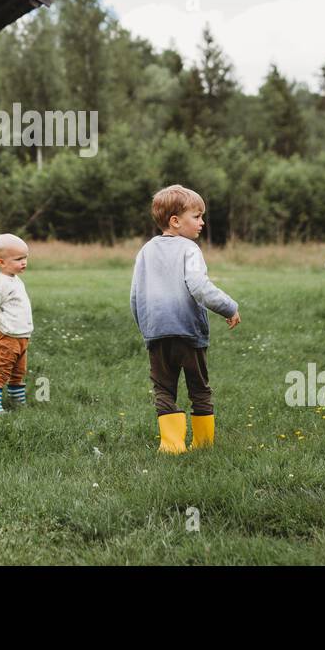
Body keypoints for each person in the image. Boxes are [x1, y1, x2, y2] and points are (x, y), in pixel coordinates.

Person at [130, 184, 240, 453]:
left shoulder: (146, 251)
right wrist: (229, 307)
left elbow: (135, 295)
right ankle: (202, 444)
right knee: (199, 388)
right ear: (175, 221)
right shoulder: (189, 249)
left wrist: (147, 328)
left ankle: (172, 445)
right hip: (188, 332)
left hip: (157, 333)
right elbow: (199, 287)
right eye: (197, 216)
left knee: (164, 389)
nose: (202, 222)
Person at [0, 232, 33, 414]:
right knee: (3, 371)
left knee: (19, 372)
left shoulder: (15, 280)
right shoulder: (0, 284)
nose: (24, 262)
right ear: (1, 262)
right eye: (19, 259)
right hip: (8, 335)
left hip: (22, 336)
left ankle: (17, 401)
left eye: (25, 257)